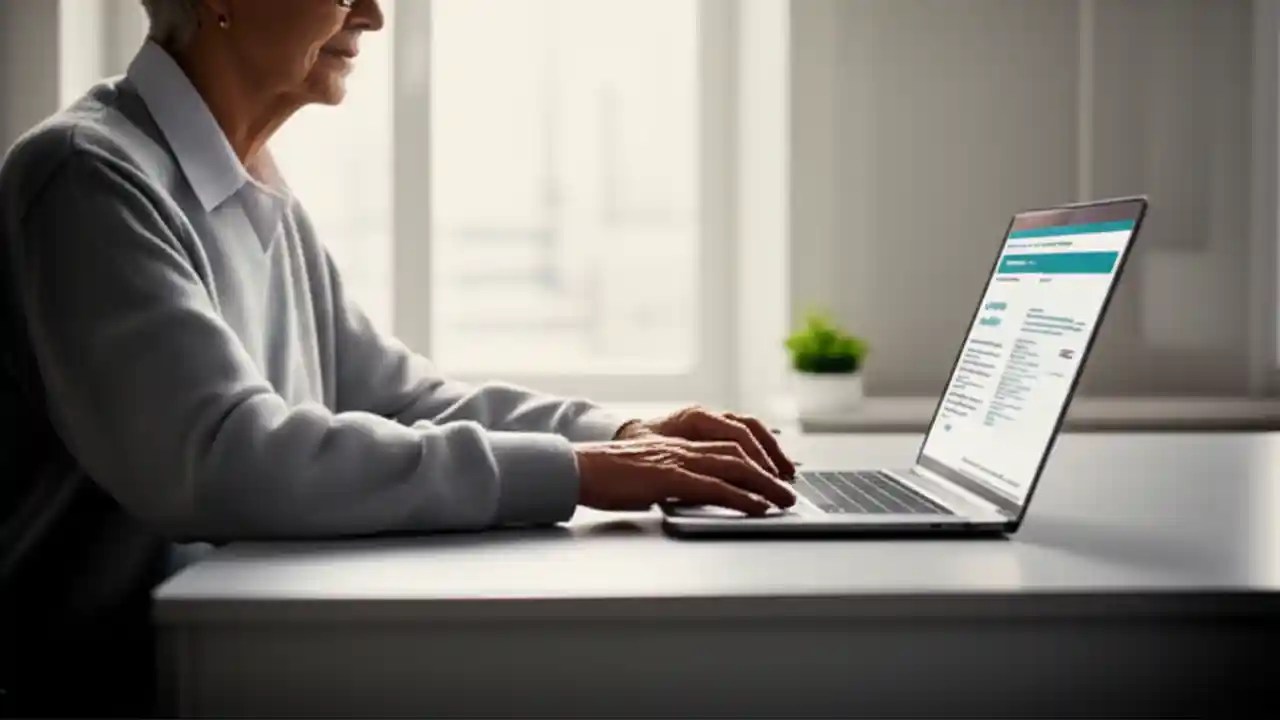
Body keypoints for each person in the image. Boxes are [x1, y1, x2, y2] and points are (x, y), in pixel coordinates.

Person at [0, 0, 796, 715]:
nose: (374, 16)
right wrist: (575, 472)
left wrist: (621, 432)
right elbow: (227, 459)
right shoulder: (86, 173)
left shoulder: (243, 183)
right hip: (100, 685)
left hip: (225, 658)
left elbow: (395, 395)